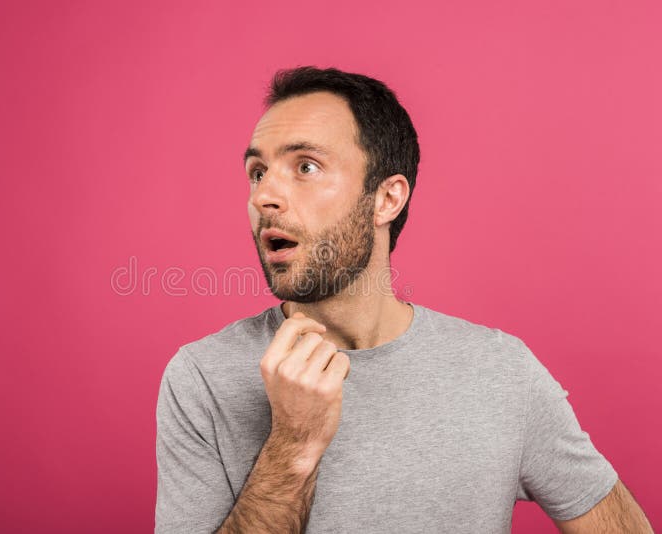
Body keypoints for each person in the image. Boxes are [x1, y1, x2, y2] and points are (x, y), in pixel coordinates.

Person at [154, 66, 653, 533]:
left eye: (305, 166)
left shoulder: (502, 372)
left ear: (387, 199)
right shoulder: (202, 378)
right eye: (258, 172)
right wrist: (294, 445)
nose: (263, 196)